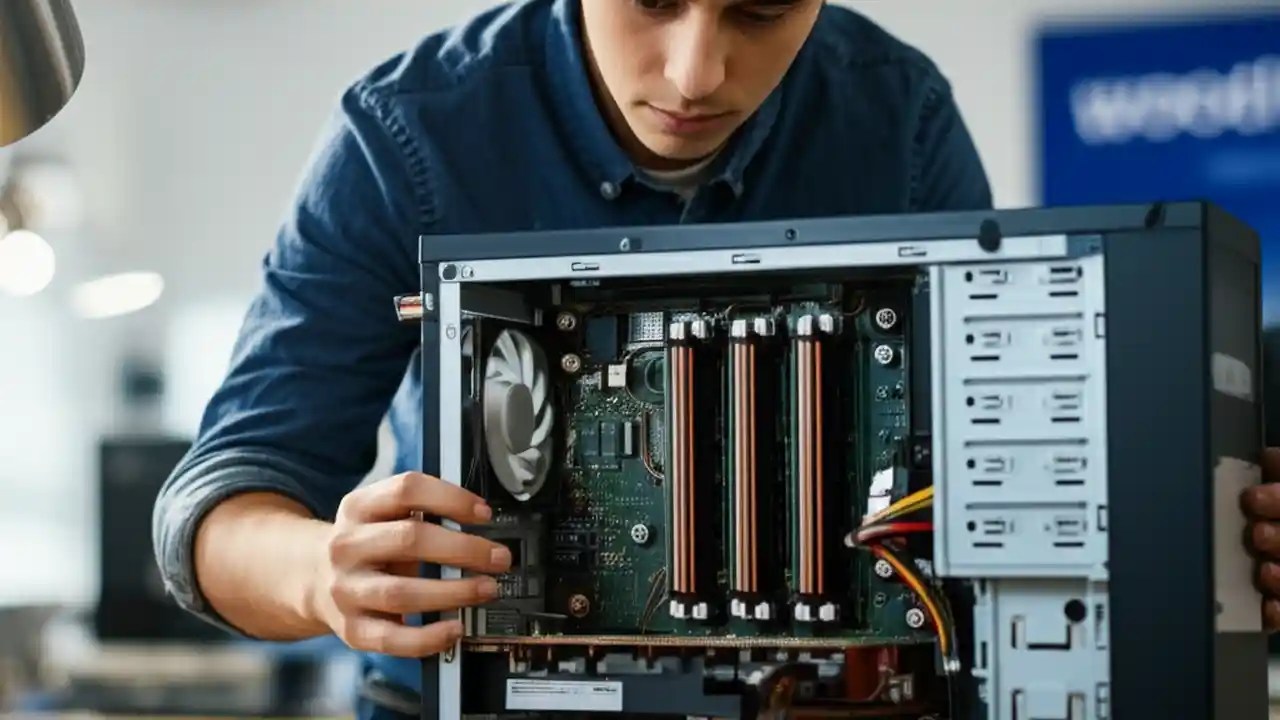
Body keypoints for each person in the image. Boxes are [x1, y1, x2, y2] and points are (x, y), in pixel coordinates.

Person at [151, 1, 1280, 719]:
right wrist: (323, 575)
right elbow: (212, 510)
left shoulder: (896, 116)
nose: (695, 73)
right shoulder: (411, 133)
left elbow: (987, 461)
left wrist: (1222, 545)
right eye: (651, 1)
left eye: (759, 10)